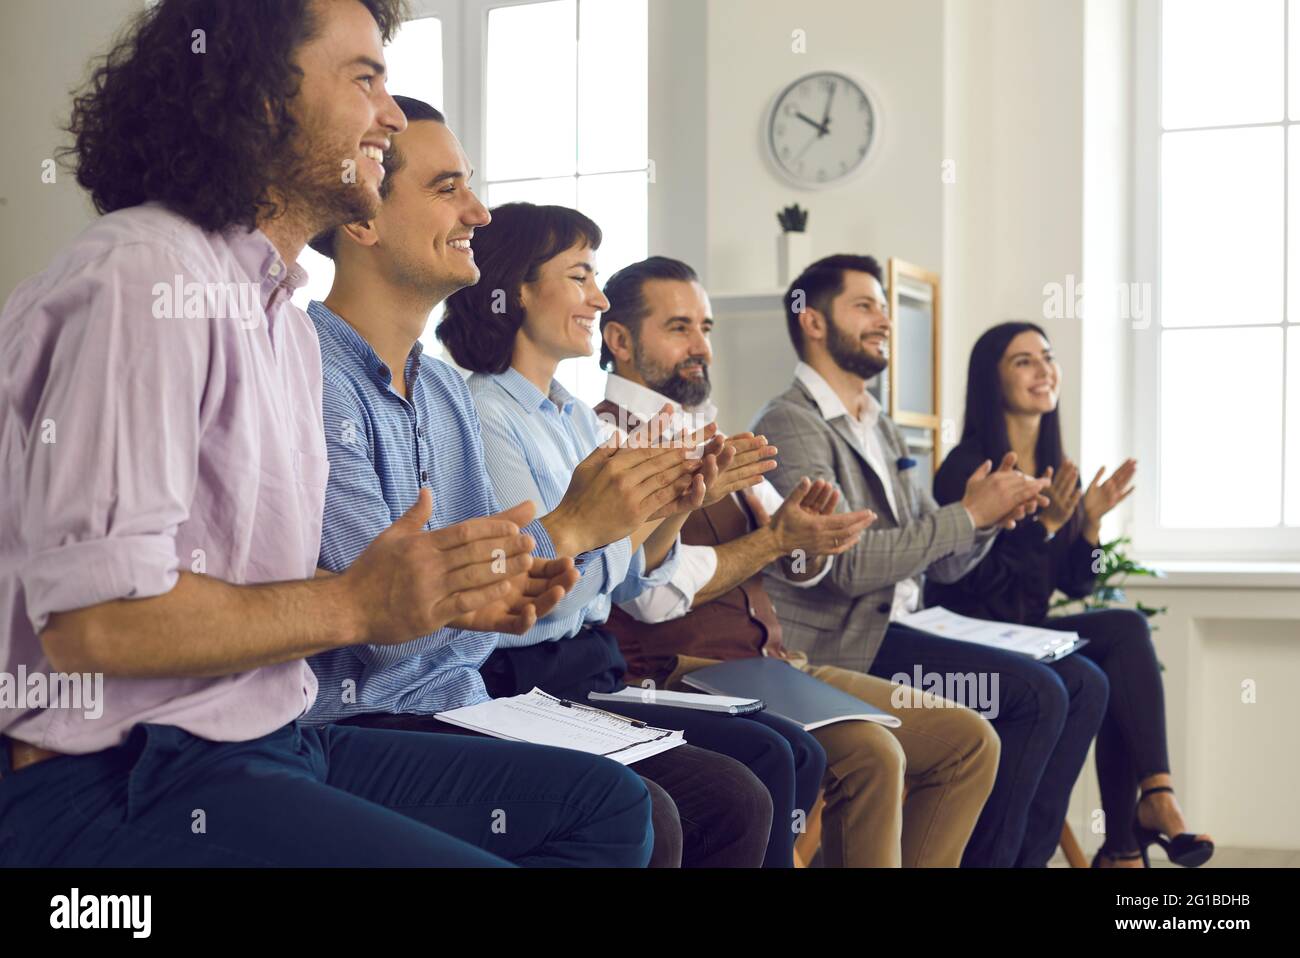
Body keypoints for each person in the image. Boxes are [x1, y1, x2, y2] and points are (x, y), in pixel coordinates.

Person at [0, 0, 651, 868]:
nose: (390, 113)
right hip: (124, 775)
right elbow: (97, 624)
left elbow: (258, 584)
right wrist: (357, 603)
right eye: (366, 79)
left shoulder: (270, 311)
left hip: (267, 738)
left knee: (607, 808)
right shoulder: (148, 277)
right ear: (263, 98)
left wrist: (448, 593)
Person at [302, 96, 776, 868]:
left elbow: (501, 607)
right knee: (641, 808)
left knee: (730, 795)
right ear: (363, 219)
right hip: (365, 722)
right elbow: (393, 637)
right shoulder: (312, 378)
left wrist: (619, 526)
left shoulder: (444, 390)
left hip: (472, 701)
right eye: (448, 188)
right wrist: (570, 531)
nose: (480, 214)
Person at [442, 203, 830, 868]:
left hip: (592, 663)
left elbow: (630, 574)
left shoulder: (568, 415)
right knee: (739, 786)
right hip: (530, 675)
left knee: (778, 756)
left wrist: (682, 502)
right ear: (520, 289)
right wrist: (632, 521)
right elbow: (543, 592)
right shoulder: (485, 414)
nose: (598, 297)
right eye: (581, 277)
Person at [594, 255, 1002, 867]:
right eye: (679, 328)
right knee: (875, 753)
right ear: (619, 340)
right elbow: (650, 595)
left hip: (769, 662)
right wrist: (779, 540)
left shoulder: (709, 434)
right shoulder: (605, 440)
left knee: (969, 741)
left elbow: (792, 552)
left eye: (706, 328)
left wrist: (811, 539)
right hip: (676, 671)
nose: (701, 346)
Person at [751, 253, 1110, 868]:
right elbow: (849, 567)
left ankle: (1022, 859)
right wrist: (968, 515)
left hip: (908, 625)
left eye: (885, 308)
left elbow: (938, 563)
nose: (884, 320)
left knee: (1083, 680)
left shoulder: (879, 424)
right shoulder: (791, 423)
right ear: (811, 322)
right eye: (865, 306)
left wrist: (987, 520)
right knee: (1038, 694)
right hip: (852, 643)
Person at [928, 321, 1213, 868]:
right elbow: (977, 588)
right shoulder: (969, 470)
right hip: (970, 638)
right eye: (1023, 361)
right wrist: (1048, 526)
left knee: (1124, 634)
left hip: (1024, 634)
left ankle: (1151, 803)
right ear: (993, 379)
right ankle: (1130, 841)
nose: (1043, 369)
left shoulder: (1057, 471)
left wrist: (1087, 527)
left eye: (1047, 356)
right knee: (1110, 654)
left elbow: (1076, 584)